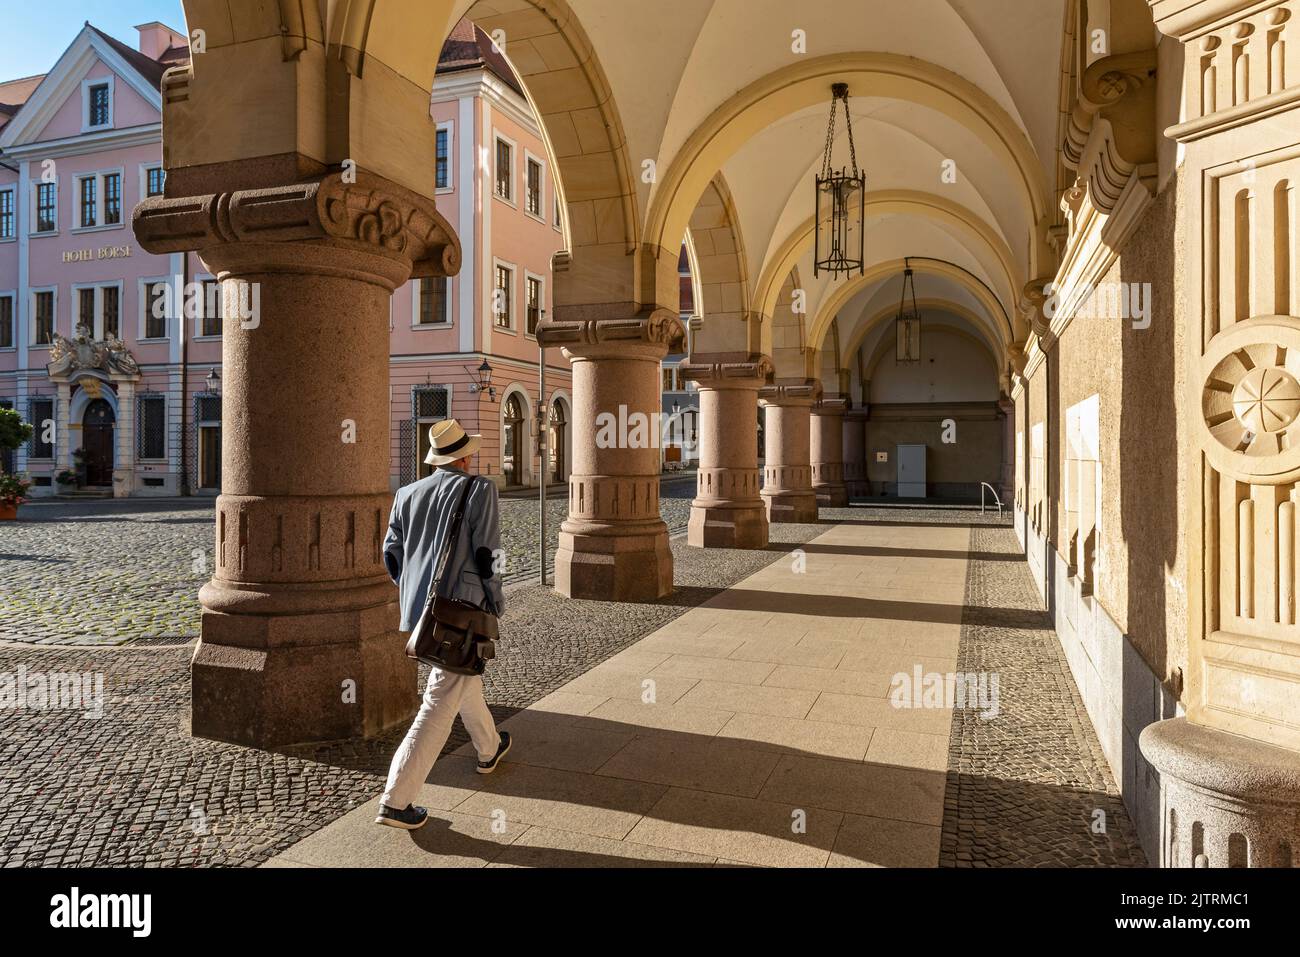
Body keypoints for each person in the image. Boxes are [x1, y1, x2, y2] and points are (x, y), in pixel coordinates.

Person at [375, 419, 512, 830]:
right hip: (463, 609)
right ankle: (396, 801)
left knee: (461, 677)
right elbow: (489, 553)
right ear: (465, 456)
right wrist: (496, 599)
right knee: (440, 699)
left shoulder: (406, 493)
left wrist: (414, 592)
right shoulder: (478, 488)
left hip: (423, 611)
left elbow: (391, 554)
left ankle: (490, 748)